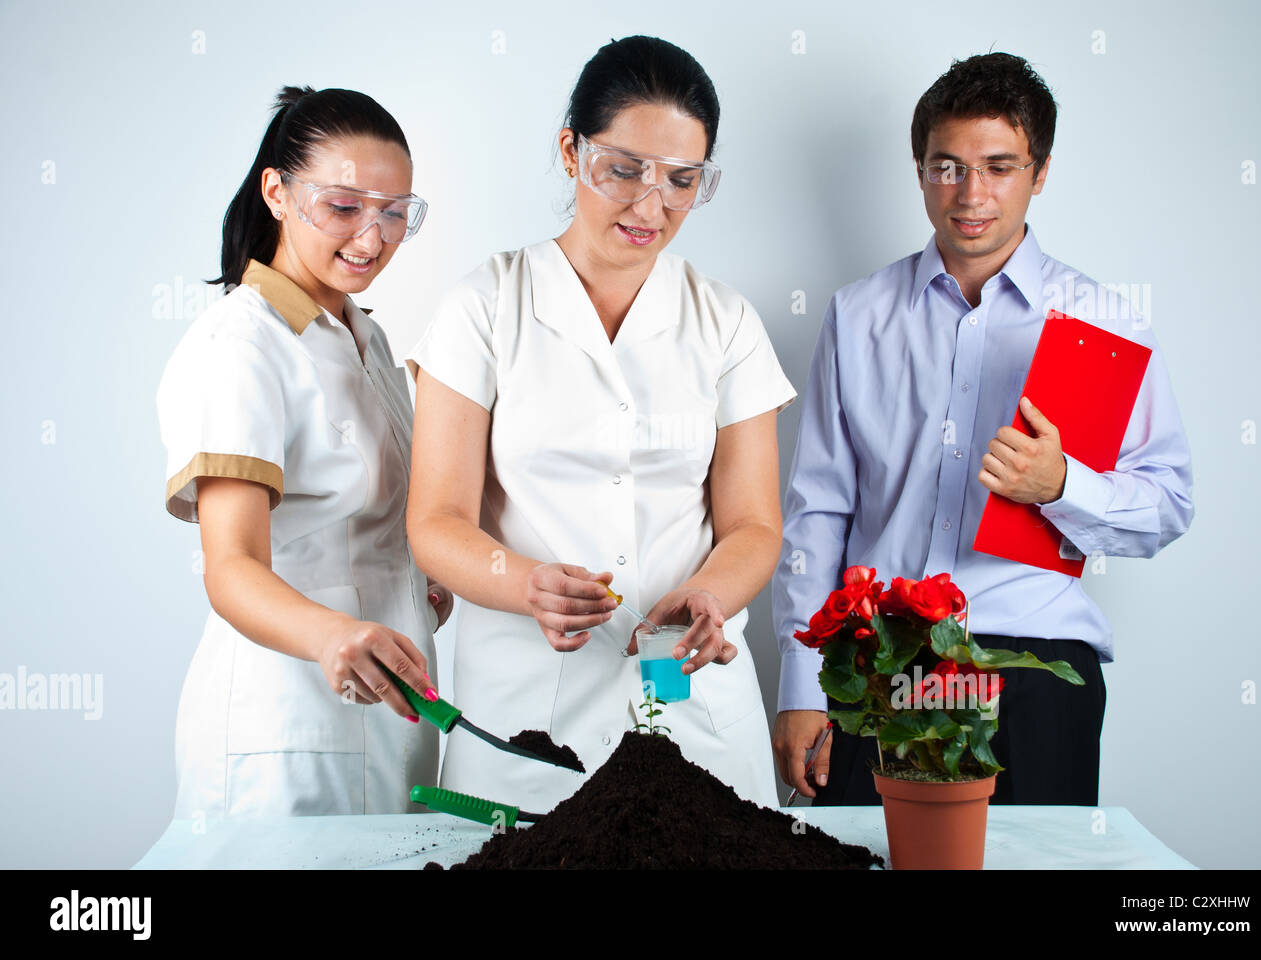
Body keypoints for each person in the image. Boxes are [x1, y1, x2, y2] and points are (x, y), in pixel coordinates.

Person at [771, 53, 1194, 805]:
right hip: (881, 665)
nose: (970, 194)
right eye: (947, 167)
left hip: (1034, 668)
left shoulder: (1101, 323)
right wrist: (801, 685)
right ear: (920, 168)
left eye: (999, 166)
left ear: (1040, 171)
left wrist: (1062, 486)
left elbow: (1167, 506)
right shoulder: (858, 315)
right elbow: (819, 509)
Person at [405, 36, 795, 813]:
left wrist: (710, 596)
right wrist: (526, 587)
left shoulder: (726, 322)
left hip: (693, 699)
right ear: (570, 151)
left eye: (682, 181)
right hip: (526, 714)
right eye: (623, 170)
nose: (650, 207)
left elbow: (753, 524)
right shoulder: (485, 306)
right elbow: (436, 521)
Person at [157, 86, 452, 819]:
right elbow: (231, 570)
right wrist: (336, 634)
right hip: (282, 730)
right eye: (344, 207)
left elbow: (364, 526)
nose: (372, 237)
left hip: (390, 721)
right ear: (278, 193)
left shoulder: (369, 340)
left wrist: (416, 589)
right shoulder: (242, 344)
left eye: (393, 213)